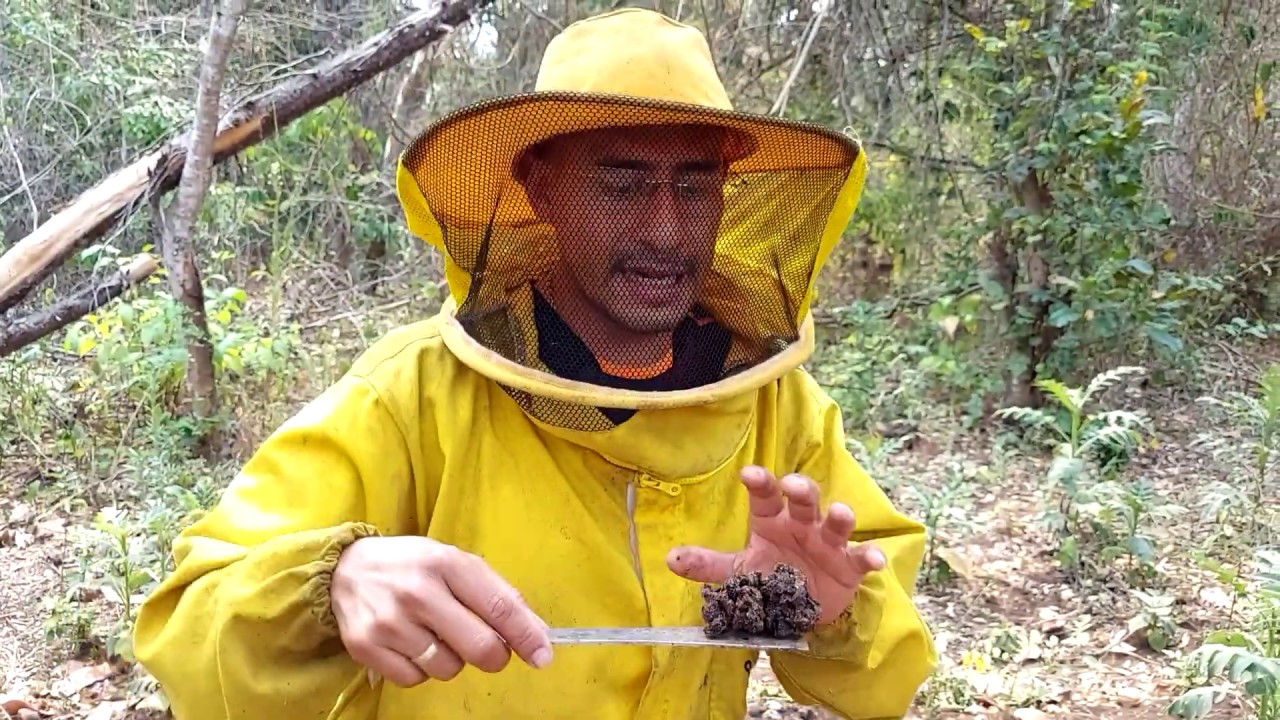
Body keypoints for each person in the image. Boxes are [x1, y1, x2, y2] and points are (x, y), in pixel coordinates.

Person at [133, 7, 937, 719]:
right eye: (620, 186)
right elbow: (192, 632)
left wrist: (830, 612)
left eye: (694, 188)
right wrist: (333, 582)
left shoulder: (774, 407)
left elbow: (886, 675)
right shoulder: (413, 395)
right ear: (541, 189)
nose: (666, 229)